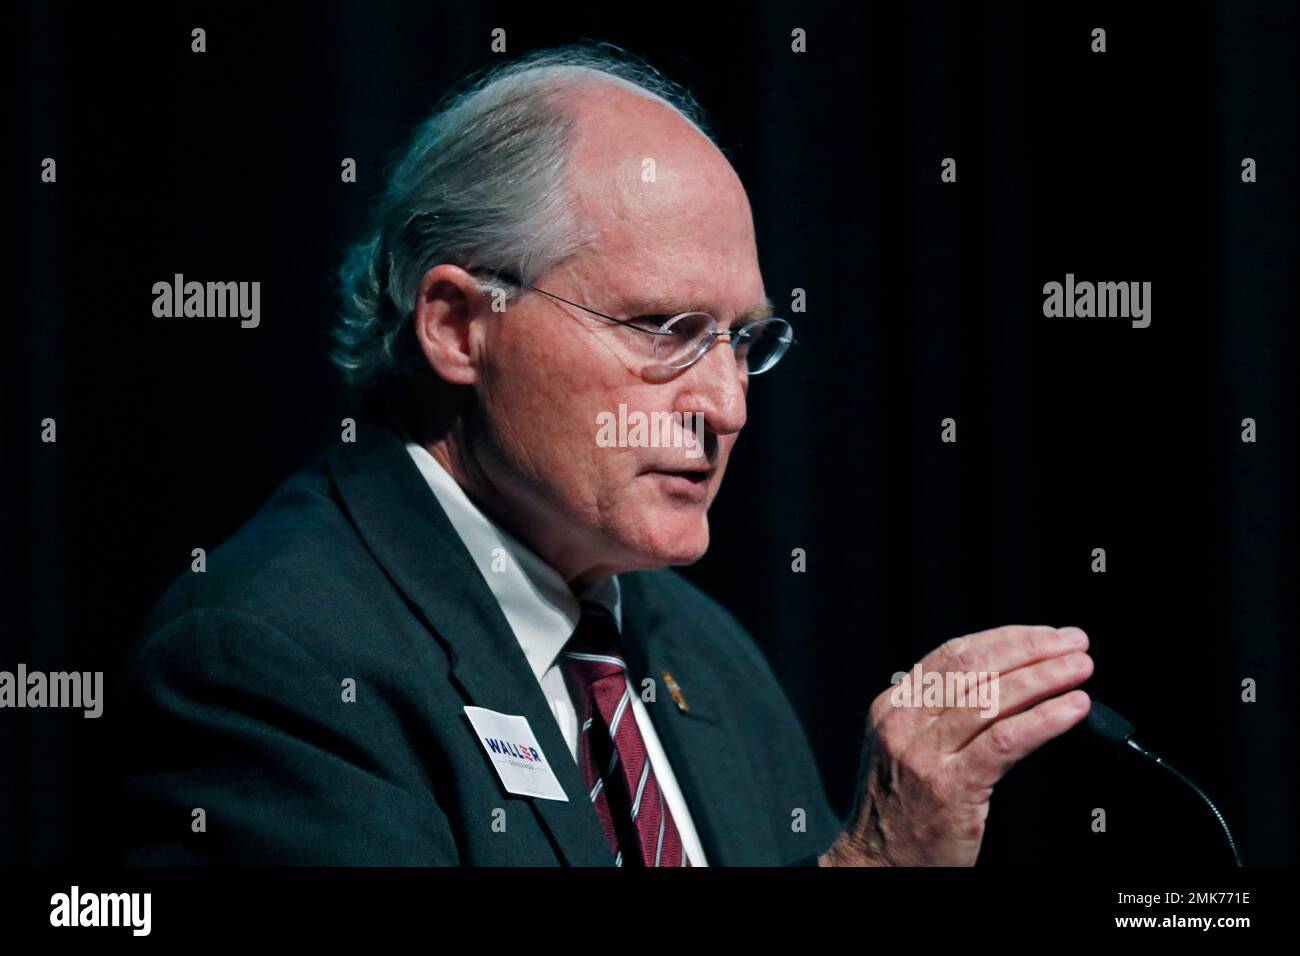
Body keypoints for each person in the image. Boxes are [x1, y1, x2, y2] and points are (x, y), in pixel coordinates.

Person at [117, 46, 1094, 867]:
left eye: (742, 342)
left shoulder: (709, 659)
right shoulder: (269, 657)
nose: (726, 404)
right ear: (459, 324)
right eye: (664, 329)